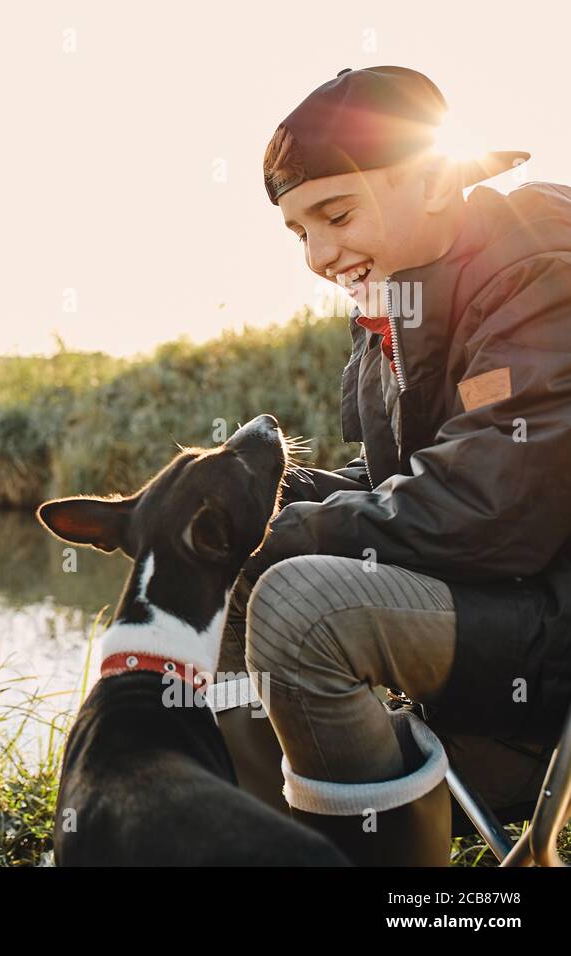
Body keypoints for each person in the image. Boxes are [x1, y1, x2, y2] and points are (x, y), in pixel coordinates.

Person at [218, 65, 571, 865]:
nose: (318, 256)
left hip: (547, 615)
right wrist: (260, 500)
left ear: (436, 182)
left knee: (304, 606)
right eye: (298, 232)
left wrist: (291, 533)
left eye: (336, 215)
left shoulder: (541, 272)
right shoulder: (397, 296)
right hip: (501, 608)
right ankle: (260, 838)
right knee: (233, 535)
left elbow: (493, 509)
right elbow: (401, 481)